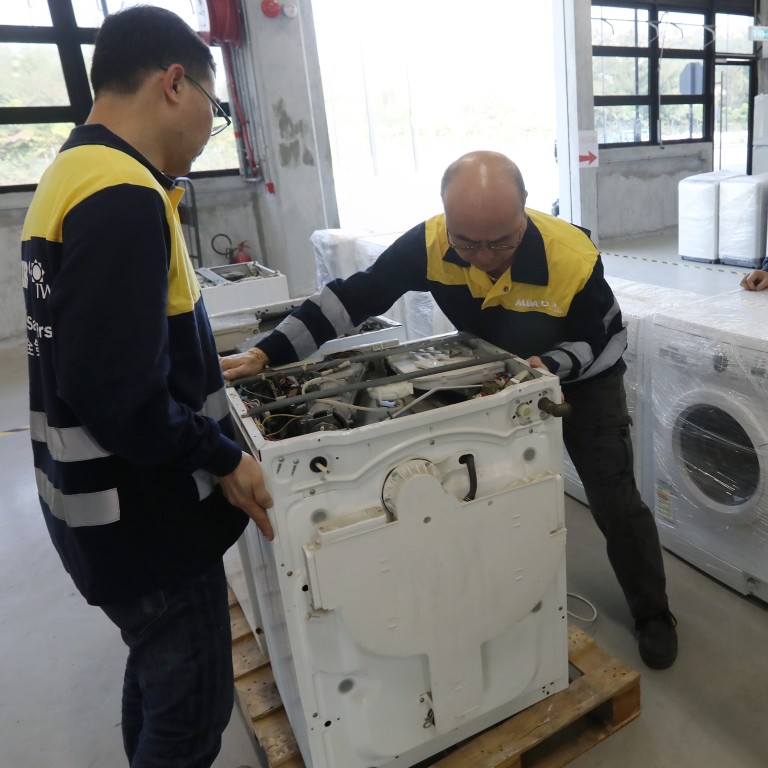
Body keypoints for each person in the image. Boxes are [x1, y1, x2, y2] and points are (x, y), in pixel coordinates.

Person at [221, 150, 679, 670]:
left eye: (500, 242)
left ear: (525, 210)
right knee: (493, 489)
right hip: (504, 373)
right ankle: (496, 597)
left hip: (584, 375)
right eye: (467, 242)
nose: (483, 257)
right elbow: (352, 299)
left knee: (613, 497)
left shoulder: (570, 256)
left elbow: (598, 340)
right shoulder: (431, 244)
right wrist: (268, 351)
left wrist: (544, 366)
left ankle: (654, 614)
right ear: (446, 219)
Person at [20, 7, 274, 767]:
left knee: (161, 677)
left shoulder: (73, 171)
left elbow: (104, 354)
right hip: (149, 521)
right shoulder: (124, 196)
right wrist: (224, 455)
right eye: (215, 105)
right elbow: (117, 391)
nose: (210, 124)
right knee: (193, 710)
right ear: (174, 84)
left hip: (96, 508)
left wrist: (193, 368)